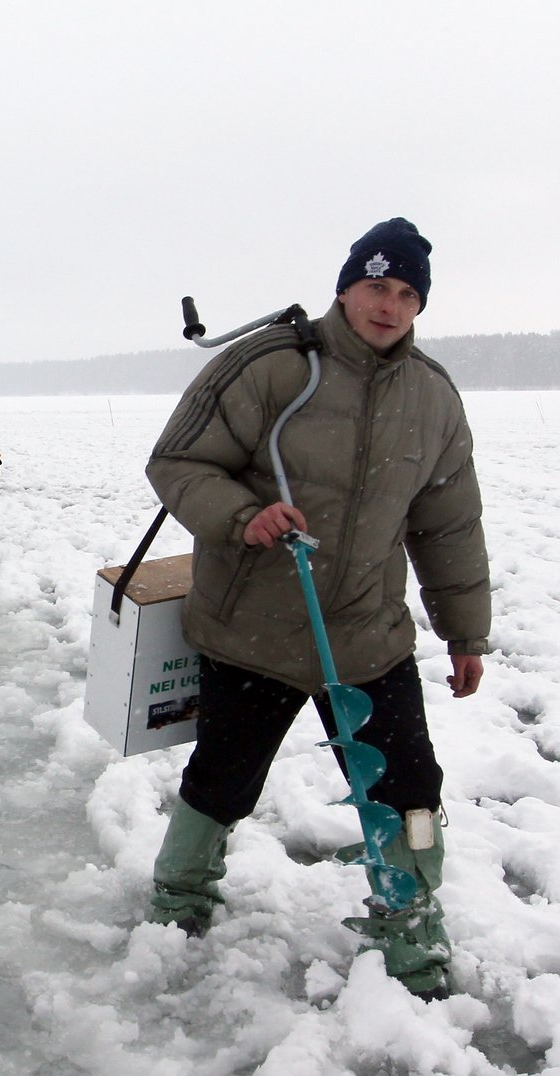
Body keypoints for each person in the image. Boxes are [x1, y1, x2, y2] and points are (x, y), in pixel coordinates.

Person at [140, 218, 489, 999]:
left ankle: (411, 922)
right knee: (225, 779)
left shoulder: (432, 397)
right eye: (376, 285)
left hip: (368, 635)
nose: (389, 306)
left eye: (407, 294)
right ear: (346, 286)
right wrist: (243, 515)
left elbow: (448, 522)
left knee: (410, 791)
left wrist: (467, 631)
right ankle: (180, 896)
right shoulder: (270, 366)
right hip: (253, 629)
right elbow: (178, 462)